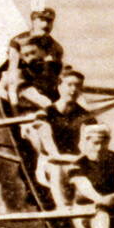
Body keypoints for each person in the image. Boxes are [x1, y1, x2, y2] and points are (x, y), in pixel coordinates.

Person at [25, 68, 97, 207]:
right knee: (57, 168)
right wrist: (73, 159)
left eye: (78, 86)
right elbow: (51, 151)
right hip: (50, 162)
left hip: (75, 162)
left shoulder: (86, 117)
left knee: (87, 181)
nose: (73, 89)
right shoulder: (45, 114)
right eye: (69, 85)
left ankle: (92, 205)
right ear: (59, 87)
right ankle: (62, 209)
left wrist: (81, 158)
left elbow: (86, 146)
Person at [68, 123, 114, 205]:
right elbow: (83, 186)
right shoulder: (79, 163)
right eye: (95, 143)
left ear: (108, 142)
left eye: (104, 143)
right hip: (90, 204)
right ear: (87, 141)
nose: (99, 148)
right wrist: (102, 200)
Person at [8, 8, 64, 98]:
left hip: (46, 87)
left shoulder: (56, 48)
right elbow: (12, 68)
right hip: (22, 85)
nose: (46, 25)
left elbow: (58, 75)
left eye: (49, 21)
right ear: (33, 21)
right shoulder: (18, 41)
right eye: (42, 20)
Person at [3, 42, 56, 112]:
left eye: (33, 53)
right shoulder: (20, 75)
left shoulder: (48, 69)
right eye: (26, 55)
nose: (31, 57)